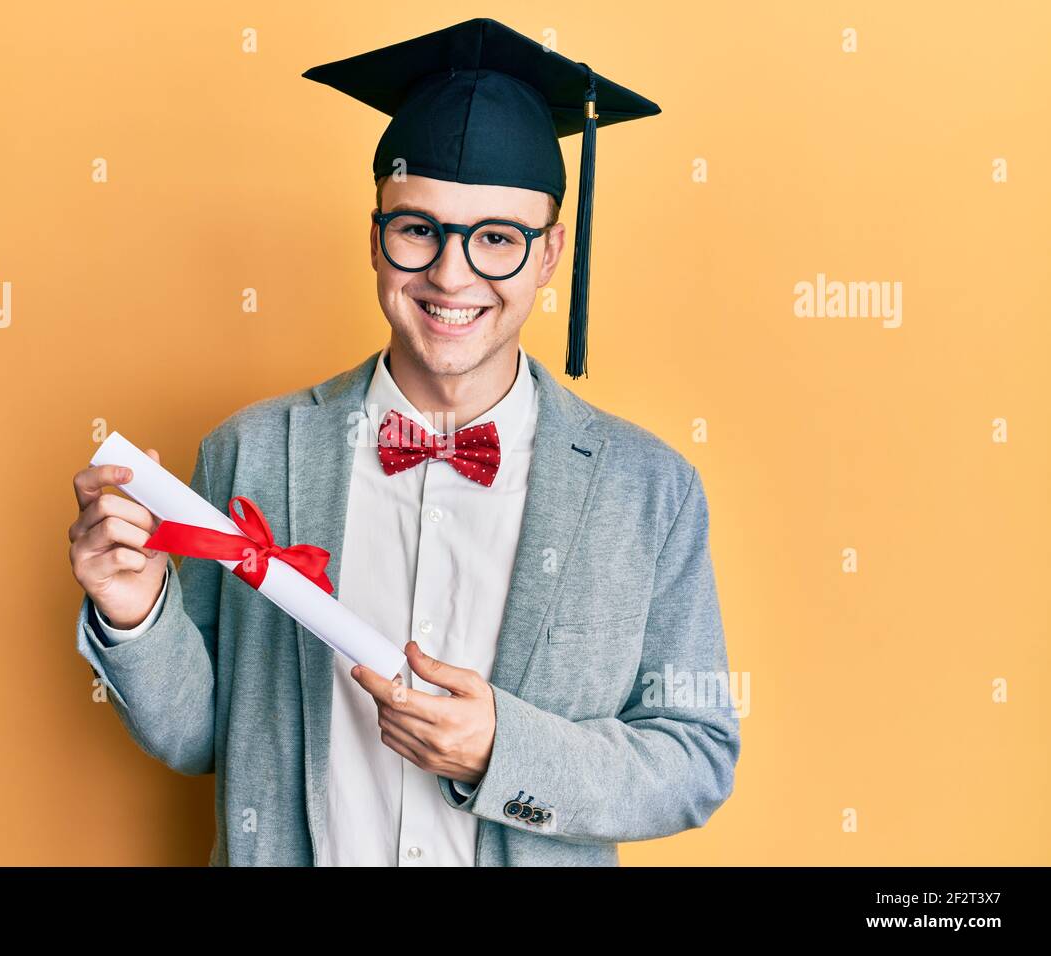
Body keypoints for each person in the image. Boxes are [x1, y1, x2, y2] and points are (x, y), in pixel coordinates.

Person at [68, 17, 739, 866]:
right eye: (418, 229)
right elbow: (200, 736)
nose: (451, 275)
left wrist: (505, 750)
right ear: (375, 238)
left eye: (497, 239)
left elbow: (696, 756)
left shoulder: (649, 489)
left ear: (550, 255)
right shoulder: (253, 452)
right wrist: (134, 613)